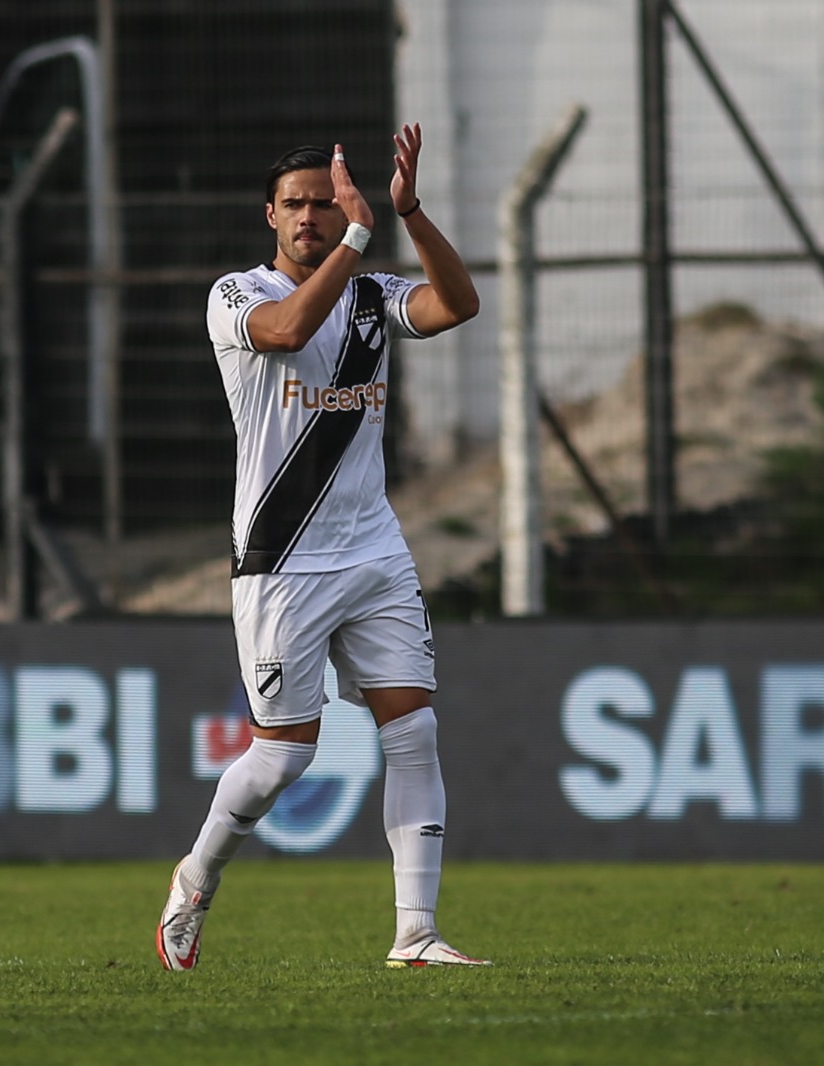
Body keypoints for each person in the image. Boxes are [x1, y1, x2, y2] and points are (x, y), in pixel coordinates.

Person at [158, 126, 486, 970]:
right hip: (280, 561)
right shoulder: (235, 294)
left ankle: (416, 934)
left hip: (373, 553)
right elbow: (287, 332)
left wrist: (409, 214)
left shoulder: (373, 293)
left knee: (413, 731)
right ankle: (194, 880)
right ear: (270, 214)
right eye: (295, 204)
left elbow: (457, 306)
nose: (310, 217)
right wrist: (357, 237)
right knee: (284, 756)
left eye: (324, 202)